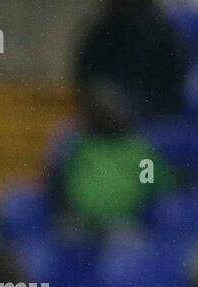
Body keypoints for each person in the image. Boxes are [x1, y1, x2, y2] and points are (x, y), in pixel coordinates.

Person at [50, 80, 176, 235]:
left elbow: (153, 189)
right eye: (101, 110)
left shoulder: (140, 151)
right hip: (79, 222)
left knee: (125, 242)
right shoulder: (77, 147)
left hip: (125, 224)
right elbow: (58, 183)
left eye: (111, 109)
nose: (107, 114)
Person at [74, 0, 190, 120]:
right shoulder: (102, 30)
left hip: (156, 107)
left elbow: (176, 76)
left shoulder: (162, 30)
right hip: (108, 112)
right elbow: (86, 76)